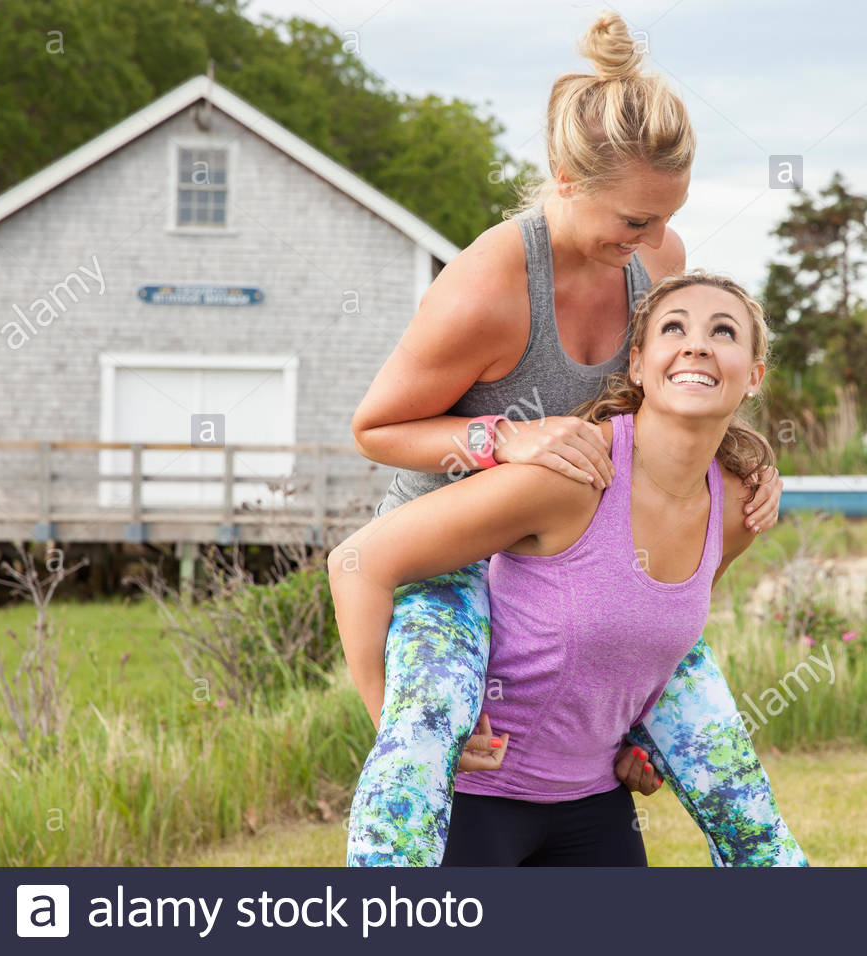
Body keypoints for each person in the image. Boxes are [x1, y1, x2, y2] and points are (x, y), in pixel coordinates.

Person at [340, 11, 801, 867]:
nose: (655, 241)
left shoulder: (656, 260)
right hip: (454, 555)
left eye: (668, 217)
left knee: (741, 800)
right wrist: (502, 443)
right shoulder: (488, 285)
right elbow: (376, 428)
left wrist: (746, 453)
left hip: (571, 557)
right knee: (411, 781)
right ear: (564, 178)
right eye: (634, 220)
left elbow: (669, 389)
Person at [331, 272, 806, 866]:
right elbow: (355, 563)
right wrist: (405, 737)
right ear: (637, 363)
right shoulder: (572, 477)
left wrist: (640, 735)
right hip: (477, 801)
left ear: (753, 375)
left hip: (593, 806)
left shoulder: (738, 507)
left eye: (724, 331)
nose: (698, 344)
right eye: (674, 327)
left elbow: (657, 627)